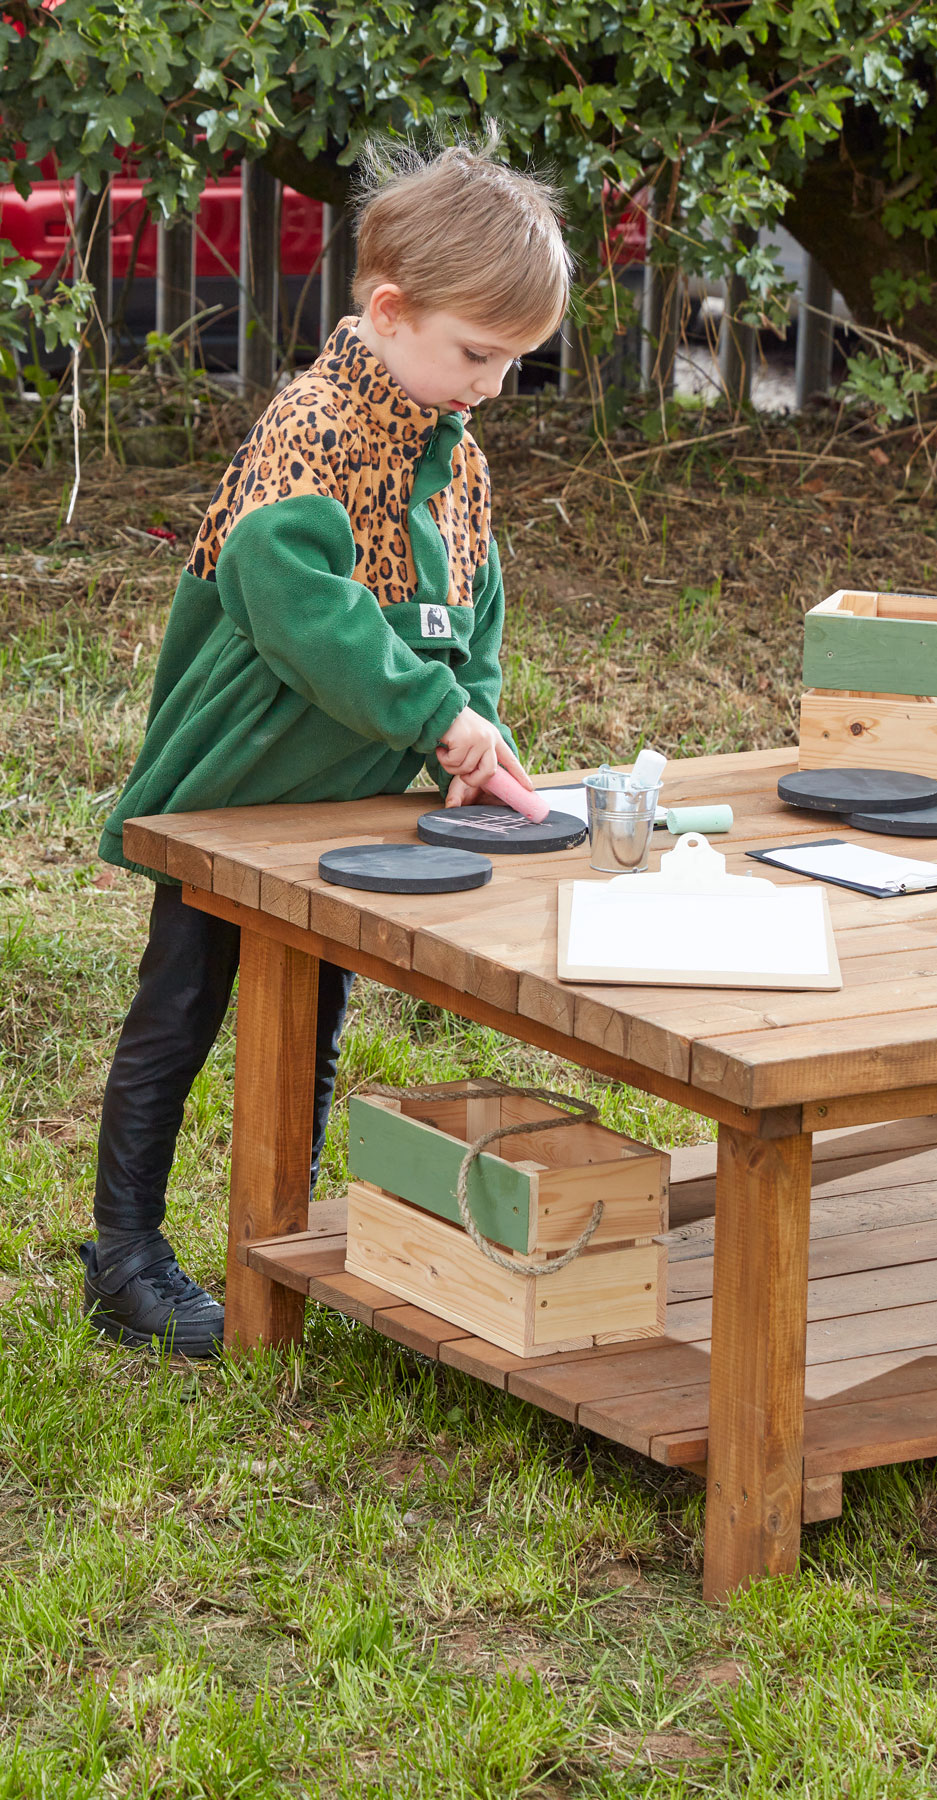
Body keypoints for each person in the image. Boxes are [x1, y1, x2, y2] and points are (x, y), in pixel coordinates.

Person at [83, 139, 572, 1357]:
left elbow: (472, 605)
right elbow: (309, 614)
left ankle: (280, 1233)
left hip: (340, 811)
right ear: (388, 311)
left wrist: (476, 720)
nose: (494, 384)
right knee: (181, 1011)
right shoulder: (312, 430)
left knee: (310, 1011)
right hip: (231, 802)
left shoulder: (454, 455)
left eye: (514, 362)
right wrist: (432, 717)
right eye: (477, 354)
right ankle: (126, 1252)